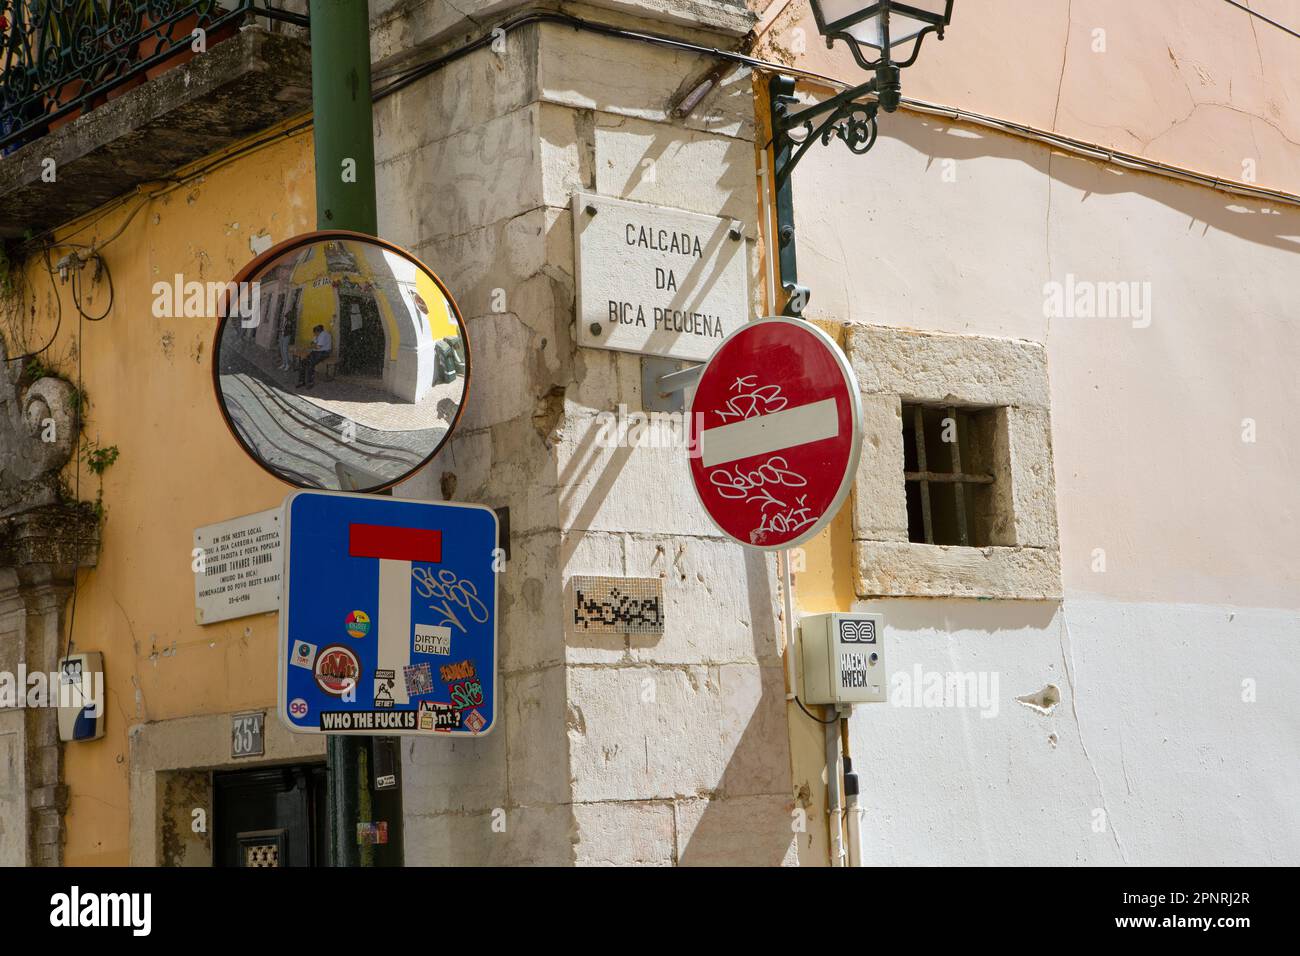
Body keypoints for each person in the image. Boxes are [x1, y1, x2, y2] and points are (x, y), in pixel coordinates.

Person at [297, 324, 332, 389]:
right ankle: (301, 381)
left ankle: (310, 383)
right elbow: (312, 343)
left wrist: (314, 345)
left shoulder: (323, 335)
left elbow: (318, 346)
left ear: (318, 332)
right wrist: (314, 345)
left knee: (310, 364)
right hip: (316, 352)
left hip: (324, 353)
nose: (315, 335)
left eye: (315, 334)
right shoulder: (318, 335)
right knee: (303, 362)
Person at [277, 297, 298, 371]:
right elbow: (285, 328)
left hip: (286, 336)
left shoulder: (290, 322)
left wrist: (284, 330)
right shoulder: (286, 321)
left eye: (287, 316)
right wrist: (281, 330)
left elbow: (290, 330)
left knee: (284, 350)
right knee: (282, 350)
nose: (286, 316)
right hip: (283, 335)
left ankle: (287, 365)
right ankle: (284, 363)